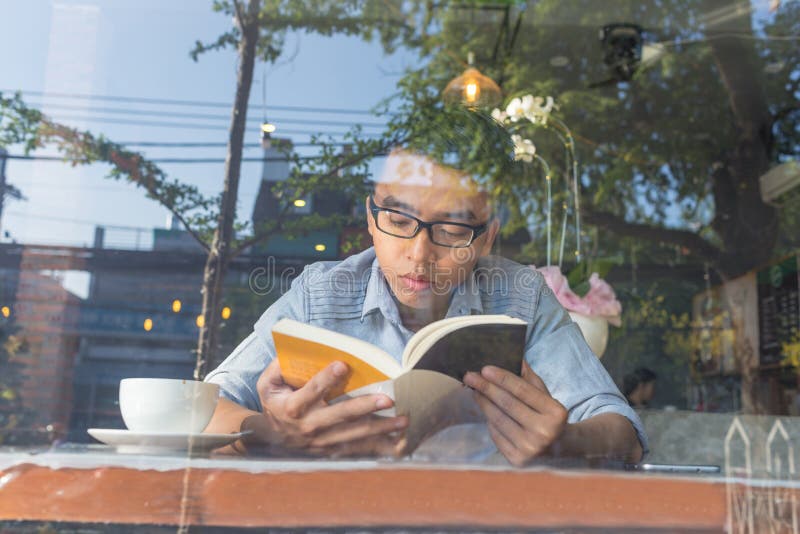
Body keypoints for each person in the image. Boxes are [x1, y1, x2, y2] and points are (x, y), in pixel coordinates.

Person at [203, 108, 647, 466]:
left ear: (487, 238)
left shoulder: (520, 294)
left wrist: (567, 443)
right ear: (371, 221)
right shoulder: (320, 292)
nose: (419, 254)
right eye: (398, 221)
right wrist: (273, 435)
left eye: (452, 229)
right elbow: (203, 414)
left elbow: (623, 434)